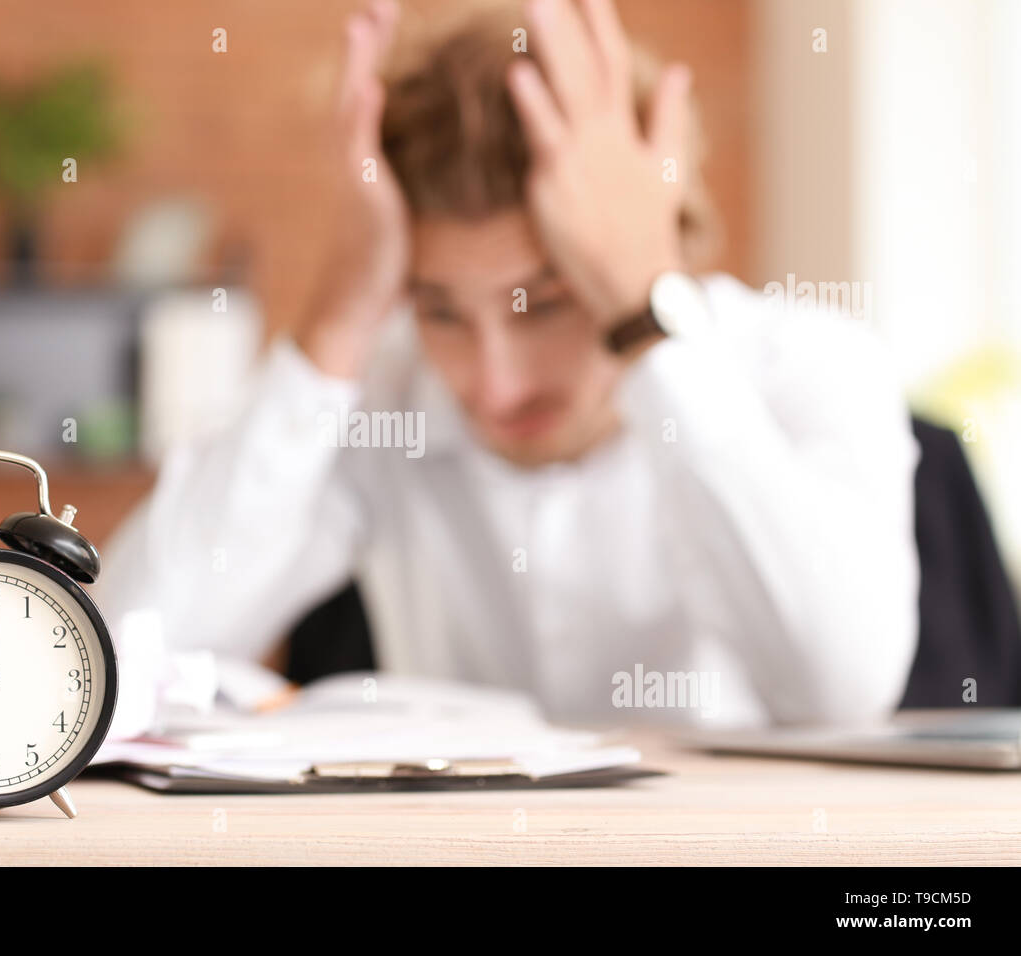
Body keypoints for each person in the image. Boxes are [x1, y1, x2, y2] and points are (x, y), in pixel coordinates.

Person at [95, 0, 920, 729]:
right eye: (440, 309)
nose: (495, 384)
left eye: (549, 301)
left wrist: (643, 308)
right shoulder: (388, 390)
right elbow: (107, 664)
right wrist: (340, 316)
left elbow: (839, 694)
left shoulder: (811, 363)